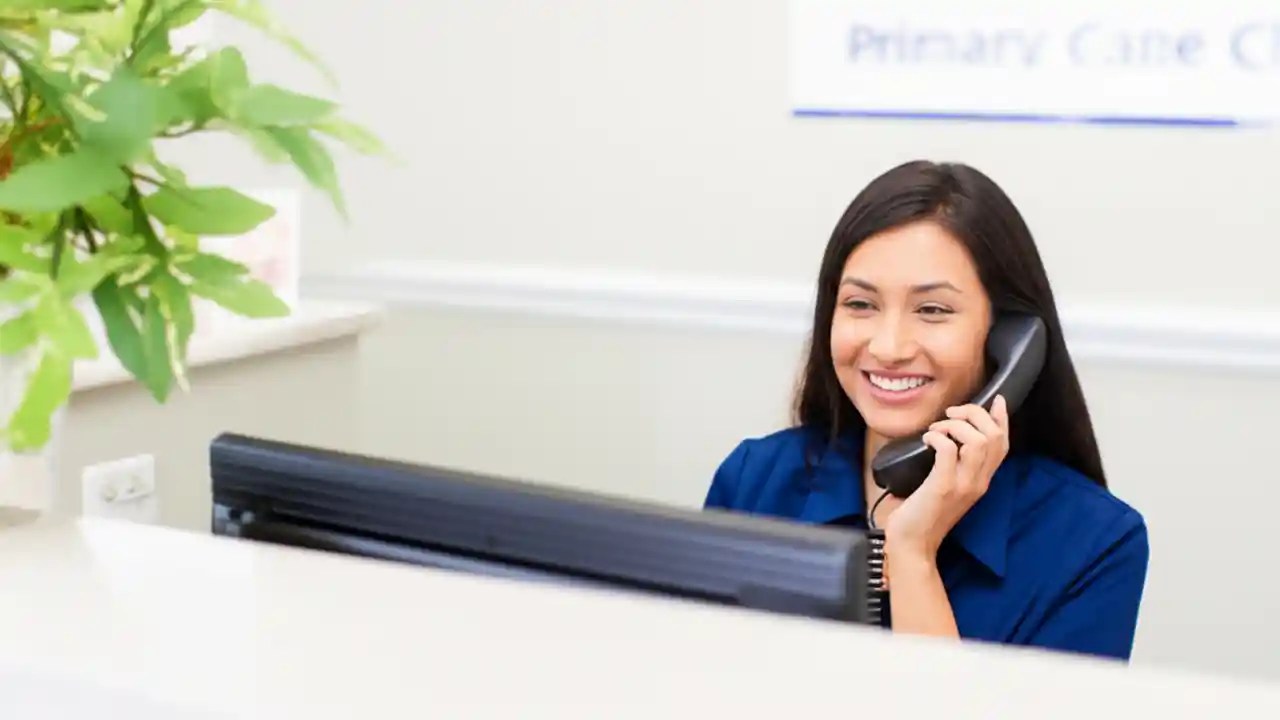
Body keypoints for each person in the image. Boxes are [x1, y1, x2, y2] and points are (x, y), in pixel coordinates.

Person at [704, 160, 1149, 661]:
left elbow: (941, 701)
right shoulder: (754, 481)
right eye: (860, 304)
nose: (888, 347)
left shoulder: (1094, 542)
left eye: (932, 310)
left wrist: (912, 555)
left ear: (1008, 338)